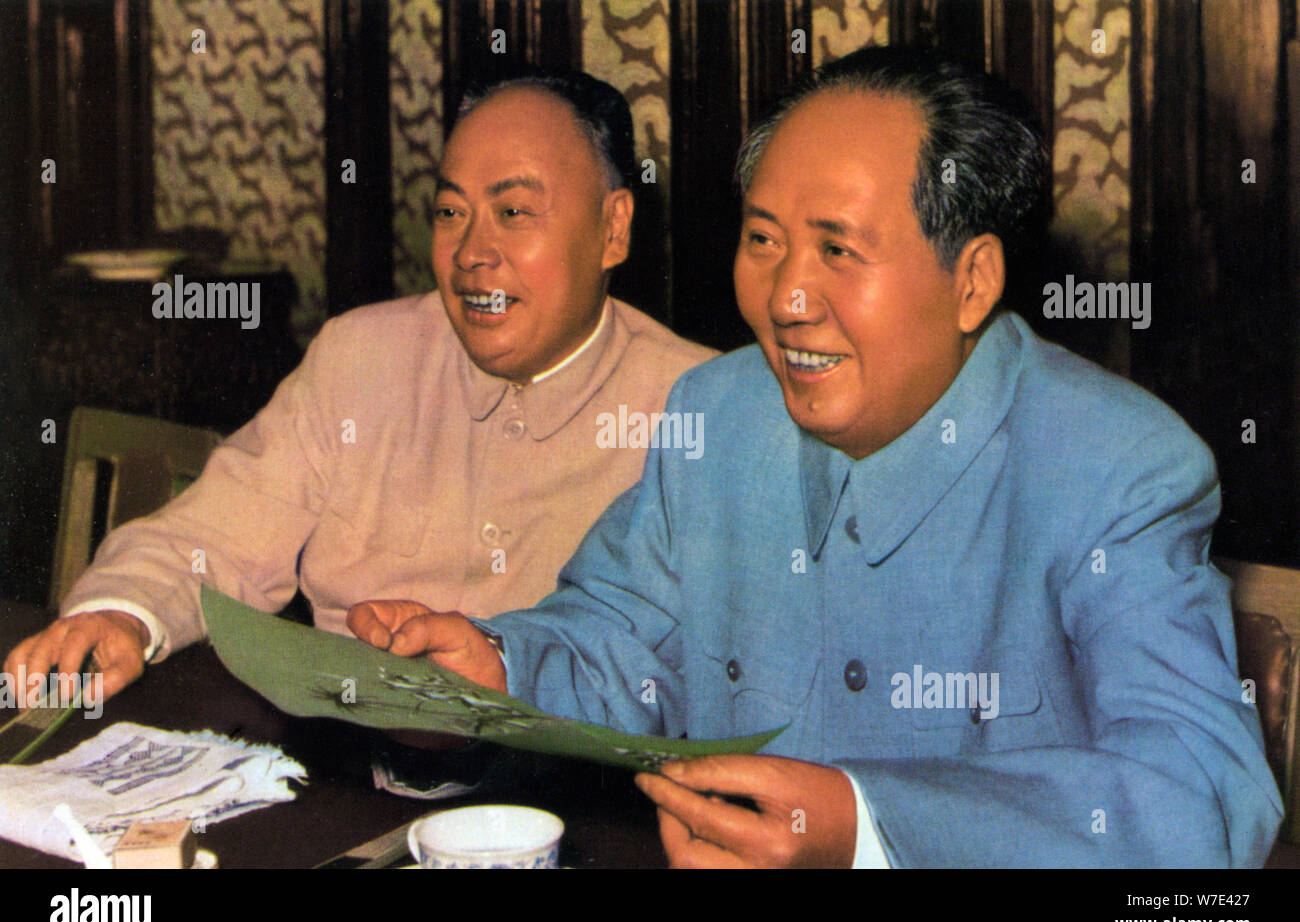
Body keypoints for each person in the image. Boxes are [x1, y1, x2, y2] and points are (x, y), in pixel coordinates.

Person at [347, 47, 1283, 867]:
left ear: (972, 280)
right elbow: (622, 641)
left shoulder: (1117, 467)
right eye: (764, 241)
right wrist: (501, 669)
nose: (786, 296)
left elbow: (1200, 802)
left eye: (838, 250)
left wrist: (866, 827)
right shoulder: (719, 415)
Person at [5, 68, 714, 707]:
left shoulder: (705, 407)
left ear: (613, 228)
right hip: (348, 775)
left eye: (515, 212)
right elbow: (211, 534)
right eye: (450, 212)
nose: (472, 253)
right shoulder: (362, 356)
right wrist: (124, 612)